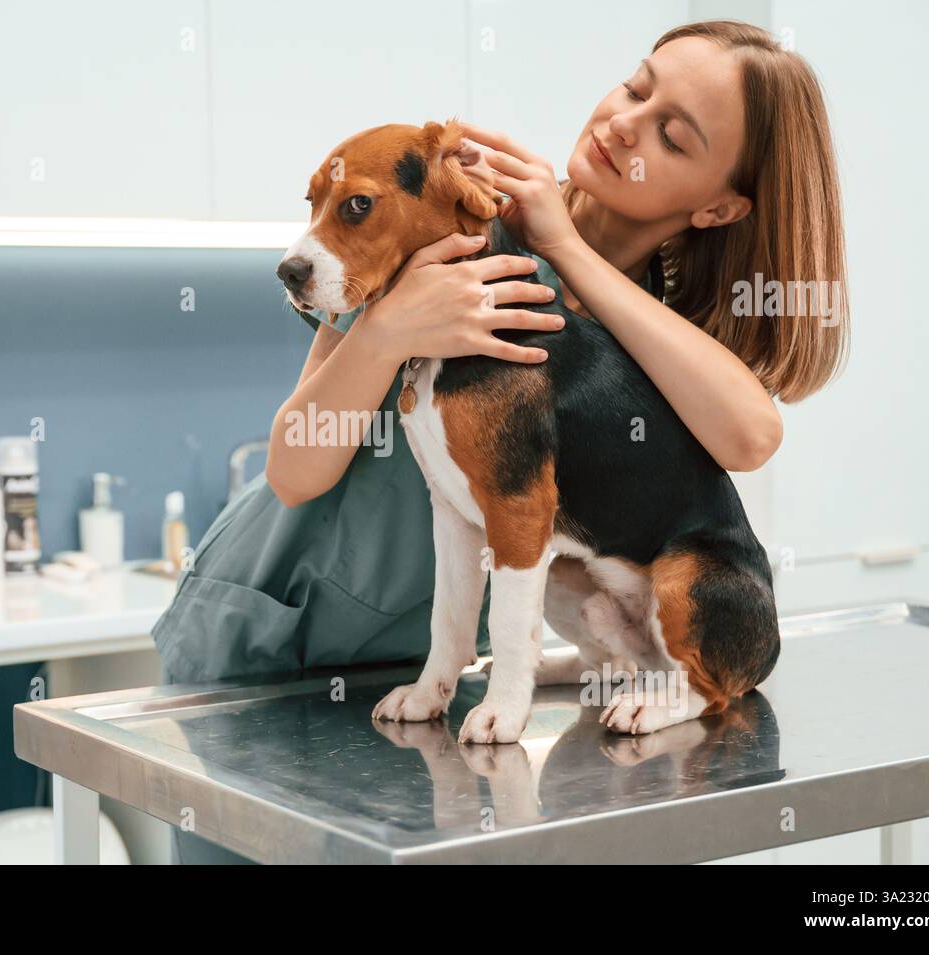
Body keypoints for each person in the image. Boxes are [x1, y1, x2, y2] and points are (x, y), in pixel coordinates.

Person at [151, 19, 849, 863]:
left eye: (671, 134)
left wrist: (566, 248)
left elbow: (751, 433)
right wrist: (386, 330)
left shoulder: (657, 322)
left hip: (429, 696)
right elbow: (296, 466)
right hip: (283, 644)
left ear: (717, 205)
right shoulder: (460, 223)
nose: (626, 122)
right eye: (636, 85)